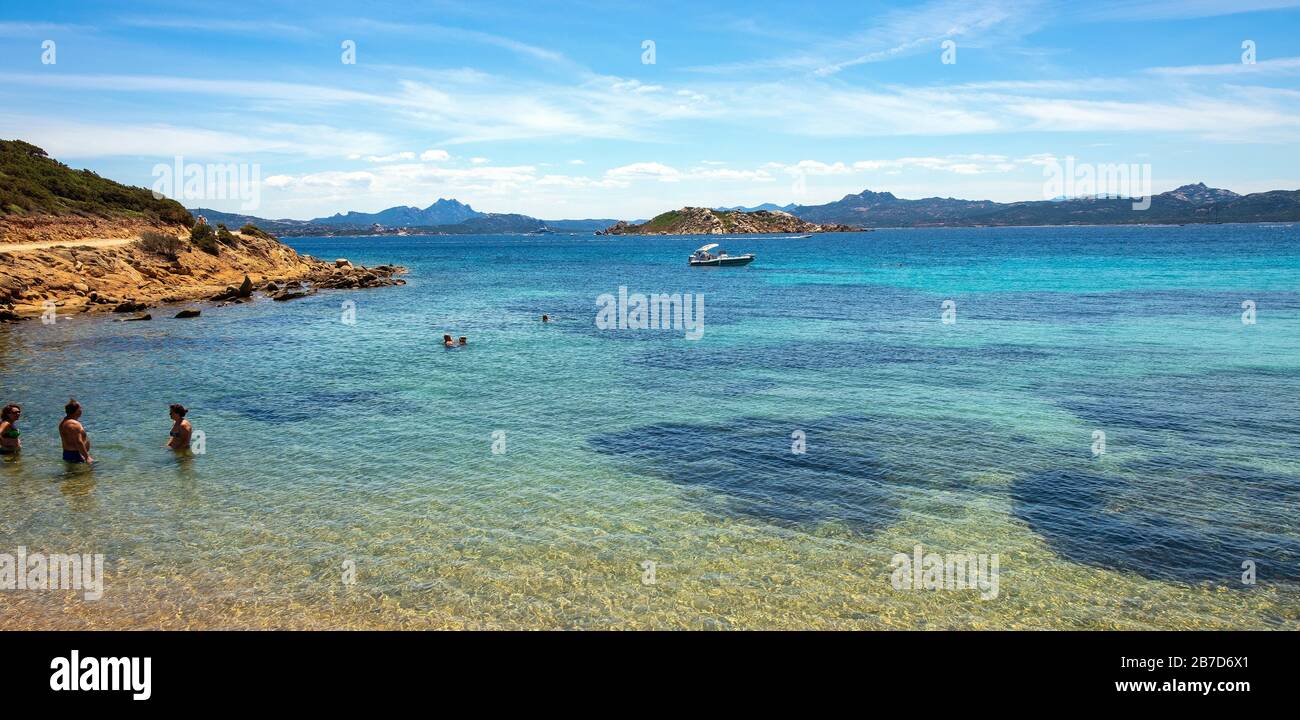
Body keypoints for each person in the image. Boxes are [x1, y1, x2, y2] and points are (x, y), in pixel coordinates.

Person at [59, 399, 93, 465]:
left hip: (69, 453)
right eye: (80, 408)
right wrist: (87, 457)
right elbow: (78, 442)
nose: (81, 410)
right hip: (76, 455)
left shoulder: (64, 422)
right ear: (77, 411)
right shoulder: (73, 425)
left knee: (73, 474)